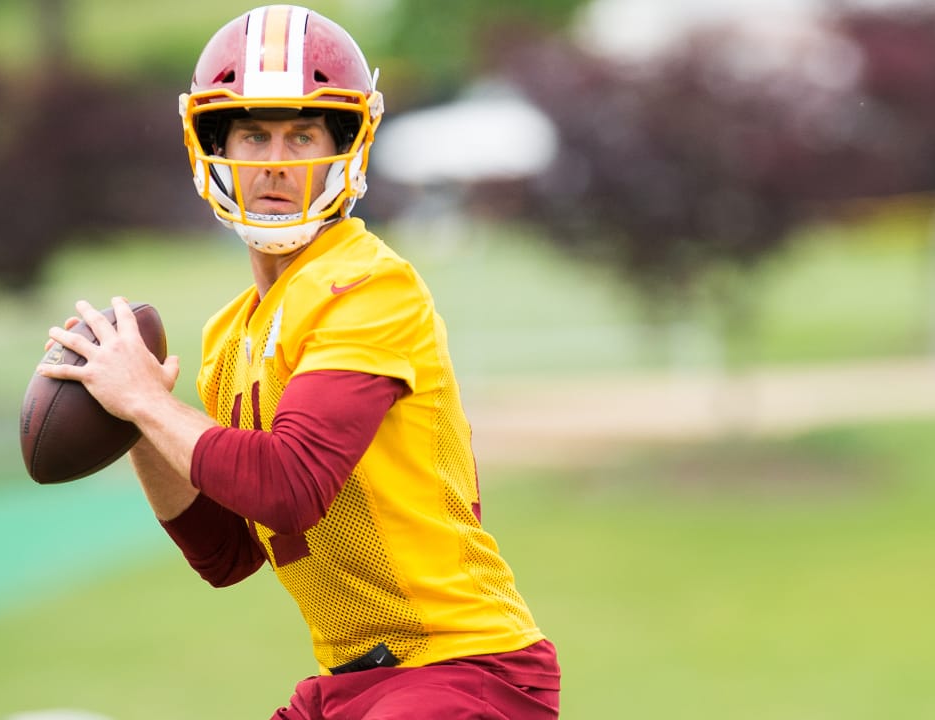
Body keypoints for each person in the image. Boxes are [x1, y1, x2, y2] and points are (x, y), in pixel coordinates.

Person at [39, 5, 559, 717]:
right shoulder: (233, 333)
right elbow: (227, 556)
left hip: (464, 670)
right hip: (353, 684)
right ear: (211, 145)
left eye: (302, 134)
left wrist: (148, 406)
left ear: (346, 144)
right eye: (254, 135)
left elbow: (291, 485)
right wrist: (135, 425)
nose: (278, 163)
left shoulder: (372, 286)